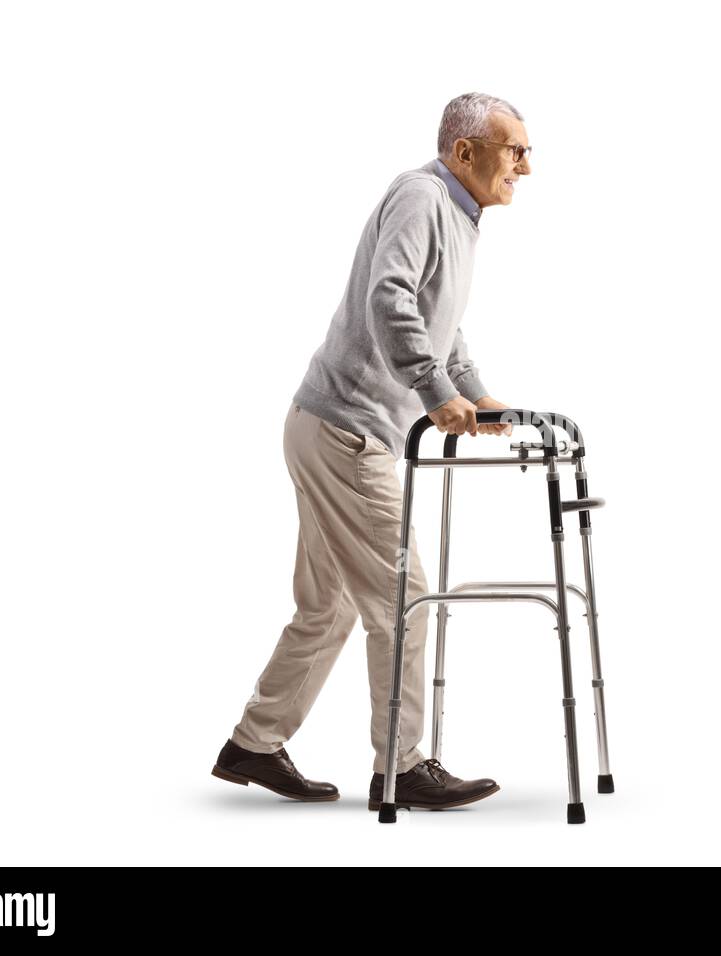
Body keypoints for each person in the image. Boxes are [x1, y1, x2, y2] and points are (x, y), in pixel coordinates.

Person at [211, 92, 532, 811]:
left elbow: (441, 327)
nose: (526, 166)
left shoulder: (459, 217)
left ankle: (253, 744)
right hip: (347, 431)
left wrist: (475, 394)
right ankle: (402, 766)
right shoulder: (423, 198)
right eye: (515, 150)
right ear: (465, 153)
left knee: (327, 604)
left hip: (323, 424)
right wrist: (431, 389)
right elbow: (392, 297)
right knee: (405, 598)